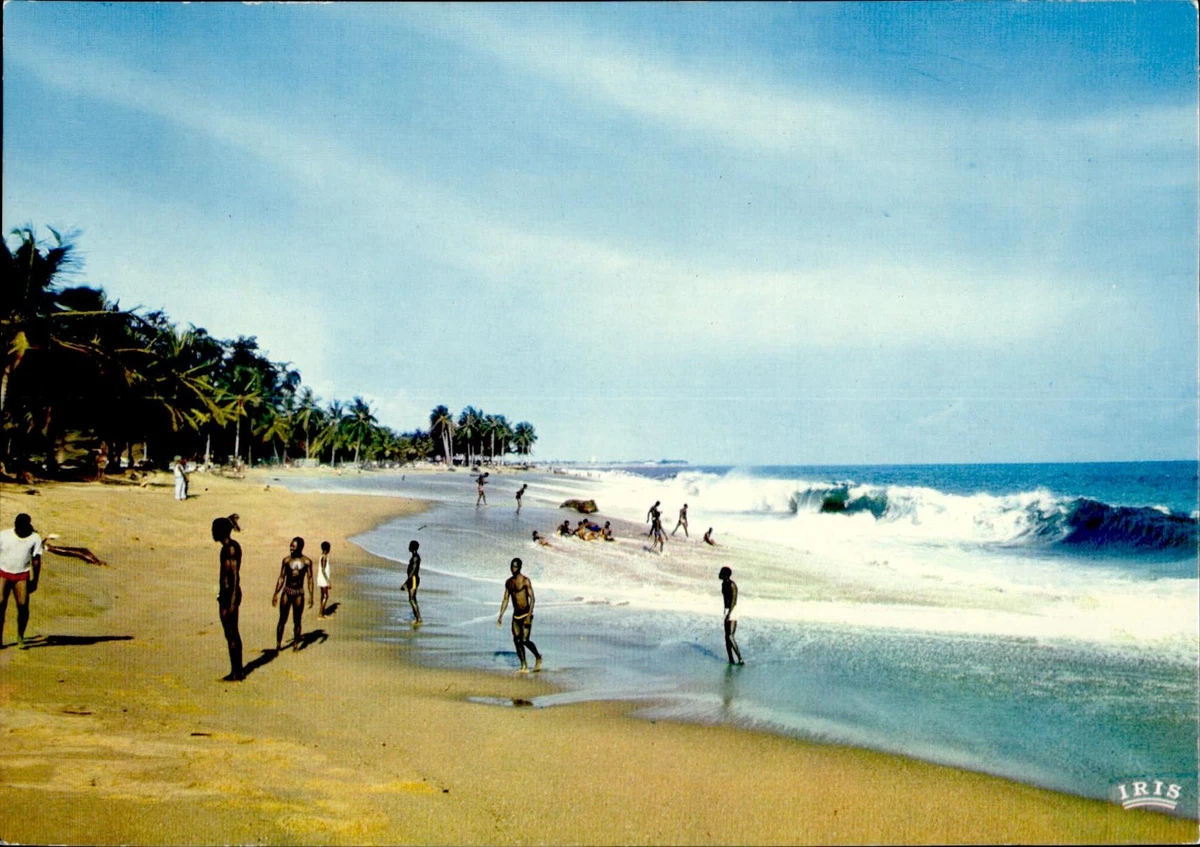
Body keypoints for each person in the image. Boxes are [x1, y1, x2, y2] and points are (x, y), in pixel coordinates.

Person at [0, 513, 44, 650]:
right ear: (15, 526)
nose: (21, 532)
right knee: (0, 604)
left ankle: (20, 636)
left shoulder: (35, 538)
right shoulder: (3, 535)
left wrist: (35, 580)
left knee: (23, 605)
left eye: (24, 529)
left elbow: (36, 561)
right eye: (19, 529)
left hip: (21, 575)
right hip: (3, 573)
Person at [211, 516, 243, 680]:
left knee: (232, 633)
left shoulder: (230, 549)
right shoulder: (227, 548)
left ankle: (237, 672)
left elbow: (235, 576)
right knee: (229, 633)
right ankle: (236, 670)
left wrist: (232, 601)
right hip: (226, 595)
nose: (212, 532)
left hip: (231, 595)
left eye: (214, 529)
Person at [497, 557, 542, 672]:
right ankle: (524, 665)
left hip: (526, 614)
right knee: (516, 640)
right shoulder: (509, 582)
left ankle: (538, 656)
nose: (513, 569)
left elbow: (532, 599)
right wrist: (501, 615)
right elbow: (506, 599)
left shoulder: (525, 581)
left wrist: (528, 616)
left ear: (520, 567)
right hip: (516, 616)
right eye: (512, 566)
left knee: (525, 640)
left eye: (515, 566)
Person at [272, 537, 313, 652]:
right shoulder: (286, 561)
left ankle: (295, 645)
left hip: (299, 593)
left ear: (299, 548)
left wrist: (311, 595)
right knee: (282, 619)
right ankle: (278, 645)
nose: (290, 548)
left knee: (297, 621)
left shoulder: (307, 562)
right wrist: (276, 593)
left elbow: (310, 579)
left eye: (293, 547)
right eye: (290, 546)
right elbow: (281, 578)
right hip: (287, 591)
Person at [719, 566, 744, 665]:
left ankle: (740, 658)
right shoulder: (723, 584)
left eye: (721, 573)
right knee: (726, 636)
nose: (719, 574)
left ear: (725, 575)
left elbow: (734, 601)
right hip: (727, 610)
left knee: (730, 636)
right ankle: (731, 659)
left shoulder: (732, 585)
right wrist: (725, 611)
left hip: (733, 610)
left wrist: (729, 614)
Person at [406, 539, 422, 624]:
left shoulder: (415, 557)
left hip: (413, 579)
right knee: (413, 599)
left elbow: (414, 570)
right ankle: (417, 617)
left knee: (412, 599)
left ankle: (418, 618)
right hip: (413, 579)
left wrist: (407, 581)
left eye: (409, 545)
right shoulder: (415, 556)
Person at [316, 541, 332, 619]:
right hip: (323, 579)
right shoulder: (324, 557)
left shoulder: (322, 556)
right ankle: (320, 614)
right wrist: (328, 581)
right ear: (327, 549)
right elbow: (323, 569)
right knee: (326, 596)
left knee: (323, 595)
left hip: (321, 578)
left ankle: (322, 612)